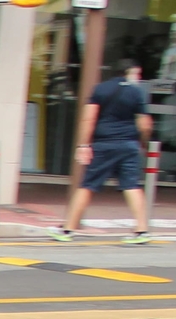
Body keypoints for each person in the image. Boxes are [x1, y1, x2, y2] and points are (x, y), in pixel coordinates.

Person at [56, 60, 152, 244]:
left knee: (87, 185)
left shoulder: (100, 89)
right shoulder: (136, 92)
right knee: (132, 186)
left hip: (104, 144)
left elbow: (88, 119)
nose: (139, 78)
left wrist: (83, 145)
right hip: (128, 145)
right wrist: (144, 143)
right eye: (137, 74)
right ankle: (142, 230)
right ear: (128, 72)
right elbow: (145, 124)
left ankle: (67, 229)